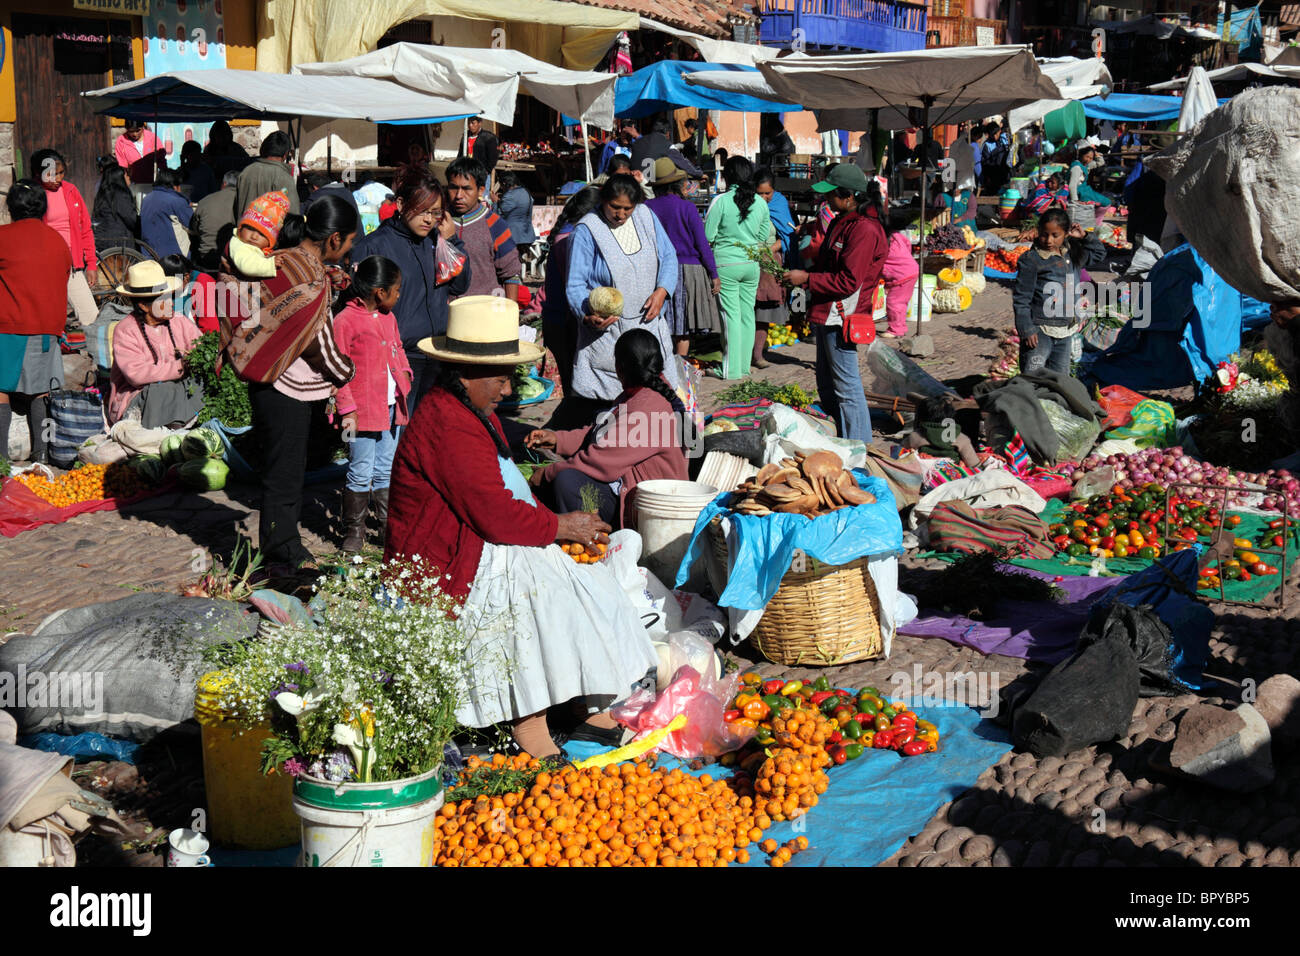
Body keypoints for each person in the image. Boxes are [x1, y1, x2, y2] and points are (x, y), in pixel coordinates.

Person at [385, 295, 658, 759]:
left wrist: (559, 527)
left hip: (478, 534)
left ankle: (578, 702)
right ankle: (528, 721)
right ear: (464, 374)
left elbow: (506, 491)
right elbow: (494, 513)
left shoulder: (473, 411)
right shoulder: (447, 424)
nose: (508, 390)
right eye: (500, 378)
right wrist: (558, 525)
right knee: (531, 588)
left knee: (583, 578)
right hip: (447, 557)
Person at [218, 195, 359, 574]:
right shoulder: (310, 279)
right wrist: (346, 372)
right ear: (333, 240)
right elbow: (318, 344)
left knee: (283, 468)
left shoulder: (279, 259)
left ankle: (283, 543)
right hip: (286, 389)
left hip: (264, 378)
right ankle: (281, 553)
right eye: (348, 243)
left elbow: (246, 301)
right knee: (285, 475)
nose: (348, 251)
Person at [526, 327, 690, 527]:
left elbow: (599, 460)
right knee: (561, 481)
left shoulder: (648, 409)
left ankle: (593, 535)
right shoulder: (638, 394)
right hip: (628, 485)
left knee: (567, 482)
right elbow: (601, 433)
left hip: (650, 510)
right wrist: (557, 440)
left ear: (619, 369)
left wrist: (548, 473)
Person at [784, 164, 888, 442]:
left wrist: (805, 277)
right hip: (825, 311)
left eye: (831, 194)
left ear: (850, 196)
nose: (826, 199)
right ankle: (840, 436)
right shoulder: (843, 220)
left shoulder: (864, 229)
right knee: (827, 383)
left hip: (842, 315)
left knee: (846, 386)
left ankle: (859, 446)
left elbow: (848, 281)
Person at [564, 174, 680, 425]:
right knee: (607, 409)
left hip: (648, 327)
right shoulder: (587, 230)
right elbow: (575, 284)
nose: (621, 214)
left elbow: (669, 256)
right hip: (608, 333)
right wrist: (587, 316)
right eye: (615, 207)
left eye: (628, 208)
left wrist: (662, 291)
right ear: (603, 200)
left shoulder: (647, 217)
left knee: (652, 401)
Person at [352, 166, 471, 407]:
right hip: (399, 358)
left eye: (435, 213)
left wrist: (452, 242)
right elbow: (359, 308)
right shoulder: (375, 246)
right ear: (400, 204)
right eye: (422, 211)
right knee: (398, 433)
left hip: (438, 352)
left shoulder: (437, 241)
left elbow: (460, 284)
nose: (429, 219)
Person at [333, 255, 412, 552]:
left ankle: (386, 525)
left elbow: (398, 349)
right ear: (380, 291)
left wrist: (404, 374)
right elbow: (337, 370)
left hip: (391, 406)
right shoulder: (345, 321)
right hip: (359, 412)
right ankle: (354, 530)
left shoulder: (389, 318)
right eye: (396, 289)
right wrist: (346, 408)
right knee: (360, 468)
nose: (398, 295)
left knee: (386, 467)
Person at [0, 181, 73, 464]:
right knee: (41, 391)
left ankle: (1, 457)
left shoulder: (3, 236)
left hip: (9, 325)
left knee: (2, 390)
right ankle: (43, 453)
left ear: (11, 208)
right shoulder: (57, 240)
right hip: (48, 327)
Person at [107, 260, 205, 427]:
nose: (172, 304)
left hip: (177, 392)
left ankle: (179, 422)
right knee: (160, 391)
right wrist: (180, 366)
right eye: (164, 301)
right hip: (140, 397)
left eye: (171, 298)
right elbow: (136, 375)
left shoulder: (180, 321)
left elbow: (201, 347)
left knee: (200, 385)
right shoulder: (125, 330)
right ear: (144, 306)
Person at [1013, 208, 1106, 376]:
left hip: (1065, 330)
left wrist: (1085, 236)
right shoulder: (1032, 260)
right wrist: (1026, 329)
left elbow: (1099, 253)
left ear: (1066, 234)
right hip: (1040, 329)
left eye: (1055, 235)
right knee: (1033, 375)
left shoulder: (1073, 256)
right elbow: (1021, 298)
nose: (1048, 240)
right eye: (1044, 234)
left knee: (1059, 378)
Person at [644, 157, 721, 359]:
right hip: (688, 270)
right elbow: (702, 243)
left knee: (661, 319)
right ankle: (681, 368)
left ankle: (662, 364)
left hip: (657, 269)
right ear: (678, 184)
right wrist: (713, 273)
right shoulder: (686, 207)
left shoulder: (646, 207)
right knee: (683, 325)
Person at [705, 156, 770, 380]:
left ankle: (730, 370)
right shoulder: (761, 202)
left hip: (726, 264)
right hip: (751, 264)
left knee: (730, 316)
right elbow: (763, 236)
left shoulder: (721, 201)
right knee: (746, 316)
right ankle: (742, 367)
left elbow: (708, 236)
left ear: (728, 176)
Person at [540, 186, 601, 397]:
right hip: (566, 320)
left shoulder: (568, 232)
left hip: (562, 318)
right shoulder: (571, 238)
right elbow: (576, 284)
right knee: (575, 388)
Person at [31, 149, 98, 330]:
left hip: (72, 266)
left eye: (61, 173)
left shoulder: (70, 191)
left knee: (91, 316)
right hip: (44, 268)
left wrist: (91, 263)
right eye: (52, 174)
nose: (58, 179)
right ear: (39, 173)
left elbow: (85, 228)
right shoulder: (32, 194)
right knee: (48, 322)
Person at [446, 156, 522, 302]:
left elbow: (511, 274)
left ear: (481, 190)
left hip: (485, 311)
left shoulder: (495, 224)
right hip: (445, 314)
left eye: (467, 189)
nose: (459, 195)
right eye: (454, 188)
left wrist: (511, 314)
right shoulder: (438, 222)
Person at [235, 131, 299, 220]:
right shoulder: (284, 178)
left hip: (244, 232)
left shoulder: (246, 172)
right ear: (285, 154)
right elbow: (293, 217)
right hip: (271, 233)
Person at [227, 191, 291, 280]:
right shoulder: (240, 245)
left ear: (271, 240)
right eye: (250, 229)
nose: (254, 236)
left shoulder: (252, 245)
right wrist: (269, 264)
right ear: (240, 228)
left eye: (262, 234)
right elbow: (246, 266)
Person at [189, 169, 239, 272]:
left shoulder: (205, 200)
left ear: (224, 184)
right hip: (234, 259)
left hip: (206, 258)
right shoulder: (243, 201)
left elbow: (195, 229)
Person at [139, 166, 194, 259]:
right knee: (179, 274)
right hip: (174, 257)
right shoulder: (177, 201)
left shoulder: (146, 199)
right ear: (174, 186)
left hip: (148, 253)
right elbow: (192, 225)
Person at [630, 117, 705, 180]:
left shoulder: (638, 142)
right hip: (652, 183)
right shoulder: (667, 144)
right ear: (668, 133)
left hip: (634, 180)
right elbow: (682, 162)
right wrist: (699, 174)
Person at [91, 158, 140, 254]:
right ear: (120, 177)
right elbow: (130, 218)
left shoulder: (103, 193)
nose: (129, 177)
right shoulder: (120, 194)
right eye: (126, 174)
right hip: (118, 240)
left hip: (102, 239)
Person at [114, 120, 166, 185]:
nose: (135, 134)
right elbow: (122, 168)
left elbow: (162, 161)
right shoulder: (121, 142)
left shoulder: (153, 138)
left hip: (153, 182)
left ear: (143, 127)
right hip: (134, 183)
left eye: (138, 130)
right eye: (131, 131)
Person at [494, 169, 537, 247]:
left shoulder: (510, 195)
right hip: (527, 234)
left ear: (504, 183)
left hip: (514, 235)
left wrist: (495, 202)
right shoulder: (525, 192)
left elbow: (498, 215)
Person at [457, 116, 500, 191]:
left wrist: (486, 171)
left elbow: (493, 157)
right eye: (469, 123)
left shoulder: (488, 137)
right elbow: (460, 154)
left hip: (481, 173)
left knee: (482, 197)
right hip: (467, 173)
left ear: (480, 123)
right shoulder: (465, 136)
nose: (470, 125)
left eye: (473, 123)